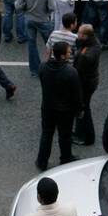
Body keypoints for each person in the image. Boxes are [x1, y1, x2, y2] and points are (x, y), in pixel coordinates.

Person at [36, 40, 82, 171]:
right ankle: (66, 157)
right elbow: (76, 94)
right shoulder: (70, 72)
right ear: (62, 56)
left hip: (47, 107)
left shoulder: (43, 67)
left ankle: (42, 161)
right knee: (65, 135)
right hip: (65, 110)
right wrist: (79, 109)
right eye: (68, 52)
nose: (70, 53)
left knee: (46, 134)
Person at [17, 0, 56, 77]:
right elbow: (52, 7)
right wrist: (47, 13)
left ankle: (35, 70)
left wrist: (25, 8)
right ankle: (52, 66)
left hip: (29, 19)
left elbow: (18, 5)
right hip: (43, 19)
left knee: (32, 45)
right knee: (50, 44)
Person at [73, 25, 102, 146]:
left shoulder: (89, 53)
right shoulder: (91, 43)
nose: (77, 35)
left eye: (79, 33)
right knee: (81, 108)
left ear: (85, 36)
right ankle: (79, 132)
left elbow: (82, 67)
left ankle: (88, 138)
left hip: (86, 83)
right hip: (87, 81)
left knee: (84, 108)